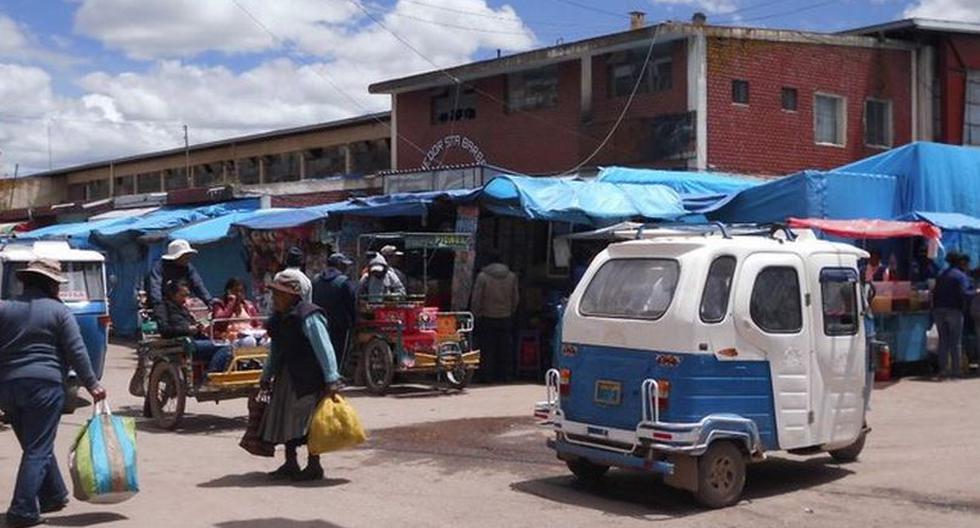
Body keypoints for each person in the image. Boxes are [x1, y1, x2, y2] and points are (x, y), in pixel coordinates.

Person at [0, 258, 107, 528]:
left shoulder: (5, 309)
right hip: (45, 387)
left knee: (35, 445)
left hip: (8, 388)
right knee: (38, 448)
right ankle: (22, 510)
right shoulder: (59, 312)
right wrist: (92, 383)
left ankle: (54, 494)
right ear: (51, 285)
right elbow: (77, 351)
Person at [259, 269, 341, 481]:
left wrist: (332, 378)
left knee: (308, 422)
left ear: (293, 295)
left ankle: (314, 464)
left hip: (308, 377)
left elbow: (324, 347)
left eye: (279, 294)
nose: (275, 298)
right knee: (286, 418)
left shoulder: (309, 315)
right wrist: (266, 375)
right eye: (274, 293)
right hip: (287, 376)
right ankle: (291, 462)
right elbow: (276, 350)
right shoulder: (278, 319)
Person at [155, 280, 232, 374]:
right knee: (226, 347)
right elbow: (164, 329)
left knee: (227, 344)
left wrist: (202, 324)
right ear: (172, 295)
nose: (185, 299)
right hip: (180, 343)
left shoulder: (182, 308)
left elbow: (195, 324)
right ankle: (211, 374)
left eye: (187, 295)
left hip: (195, 340)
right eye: (182, 295)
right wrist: (187, 329)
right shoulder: (162, 307)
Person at [470, 253, 519, 383]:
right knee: (505, 349)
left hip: (487, 316)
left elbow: (477, 298)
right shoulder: (511, 276)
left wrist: (476, 313)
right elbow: (515, 298)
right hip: (506, 316)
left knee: (487, 349)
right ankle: (506, 376)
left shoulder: (483, 277)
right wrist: (511, 311)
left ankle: (487, 377)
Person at [932, 252, 973, 380]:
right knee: (955, 342)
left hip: (939, 310)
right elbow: (965, 293)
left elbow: (934, 292)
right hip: (954, 311)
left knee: (943, 341)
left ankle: (943, 370)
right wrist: (976, 291)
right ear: (960, 262)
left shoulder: (941, 275)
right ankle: (956, 371)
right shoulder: (960, 276)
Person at [312, 253, 358, 369]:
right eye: (344, 265)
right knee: (339, 351)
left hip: (320, 323)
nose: (346, 268)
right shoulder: (343, 282)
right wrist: (354, 322)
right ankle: (336, 375)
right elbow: (351, 304)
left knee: (322, 349)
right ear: (339, 265)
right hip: (340, 325)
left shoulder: (316, 280)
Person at [147, 239, 214, 308]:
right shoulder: (159, 267)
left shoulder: (188, 267)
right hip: (163, 303)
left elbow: (197, 284)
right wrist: (158, 304)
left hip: (180, 303)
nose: (188, 258)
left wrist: (209, 300)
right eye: (185, 255)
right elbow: (155, 286)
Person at [212, 277, 263, 347]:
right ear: (229, 292)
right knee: (249, 341)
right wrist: (231, 303)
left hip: (249, 335)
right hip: (229, 339)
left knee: (265, 341)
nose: (239, 294)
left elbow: (258, 324)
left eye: (241, 291)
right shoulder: (219, 304)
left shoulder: (249, 306)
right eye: (235, 291)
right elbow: (219, 321)